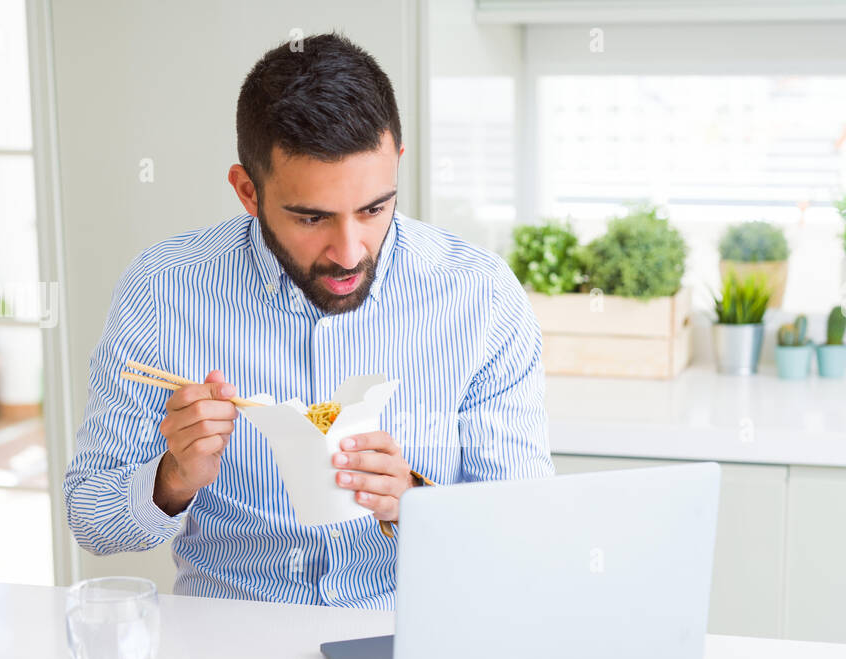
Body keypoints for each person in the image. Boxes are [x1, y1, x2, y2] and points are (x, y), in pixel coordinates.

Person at [64, 32, 554, 609]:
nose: (348, 252)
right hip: (228, 650)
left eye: (374, 208)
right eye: (312, 217)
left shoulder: (479, 295)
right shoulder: (165, 290)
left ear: (397, 162)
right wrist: (173, 478)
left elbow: (525, 532)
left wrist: (415, 503)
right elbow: (91, 518)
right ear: (248, 191)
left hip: (407, 642)